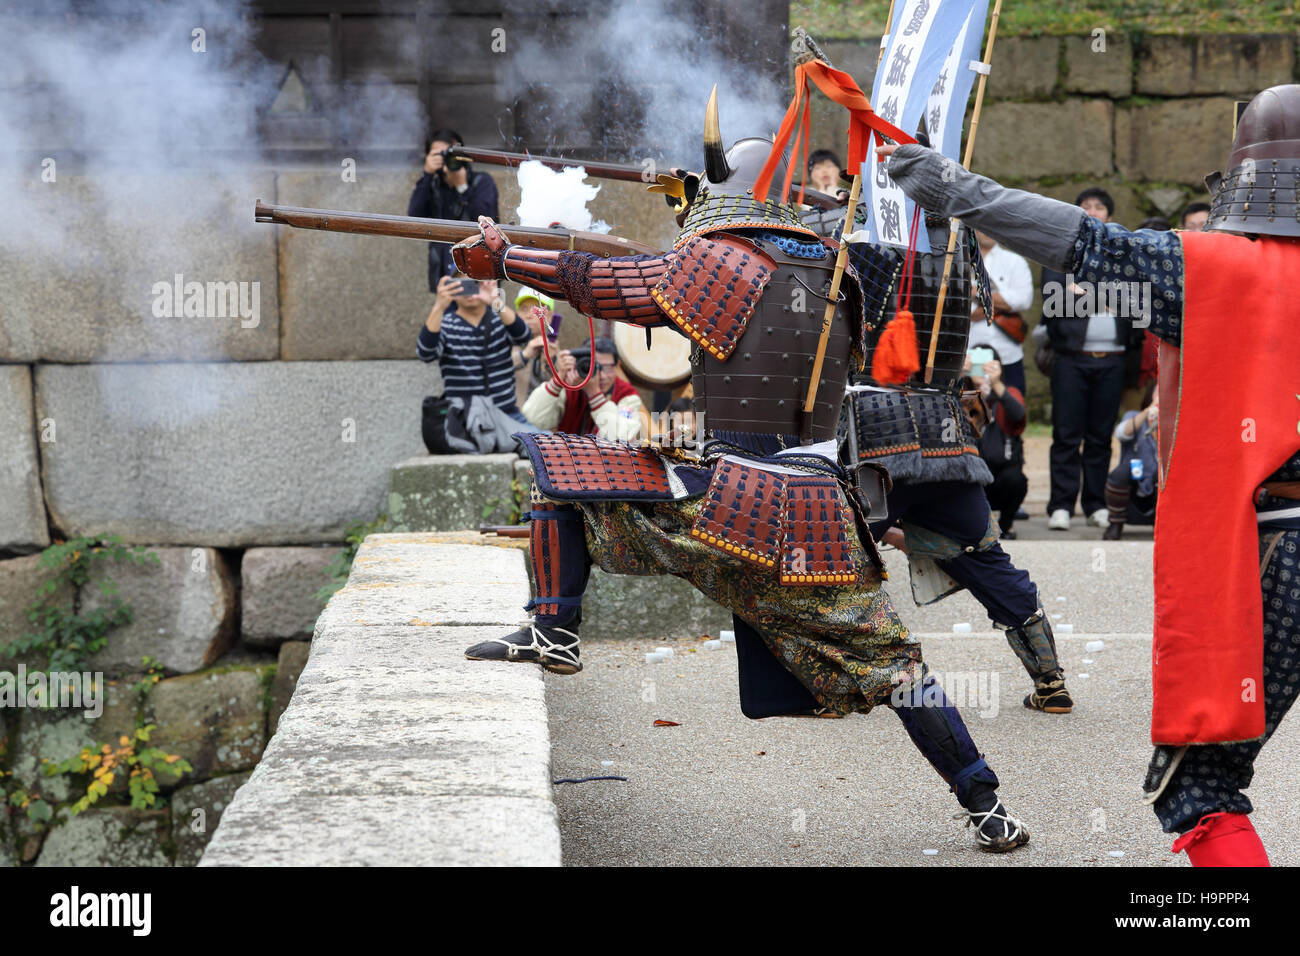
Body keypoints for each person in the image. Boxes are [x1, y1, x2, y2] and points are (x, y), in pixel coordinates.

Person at [448, 90, 1030, 852]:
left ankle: (555, 628)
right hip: (825, 518)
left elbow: (603, 288)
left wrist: (505, 258)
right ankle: (986, 803)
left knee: (559, 467)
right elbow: (932, 285)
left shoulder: (716, 259)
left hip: (731, 504)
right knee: (897, 667)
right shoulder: (846, 273)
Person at [880, 82, 1300, 864]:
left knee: (1201, 786)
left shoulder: (1213, 267)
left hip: (1282, 543)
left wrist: (956, 190)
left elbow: (1081, 242)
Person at [1037, 187, 1131, 532]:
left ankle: (1096, 503)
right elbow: (1054, 306)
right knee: (1065, 433)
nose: (1093, 212)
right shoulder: (1059, 253)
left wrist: (1082, 294)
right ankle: (1061, 504)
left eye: (1100, 207)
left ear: (1109, 214)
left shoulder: (1121, 252)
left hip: (1113, 359)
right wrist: (1101, 296)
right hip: (1070, 359)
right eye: (1085, 206)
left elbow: (1132, 302)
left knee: (1100, 436)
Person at [417, 272, 532, 425]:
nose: (469, 288)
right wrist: (439, 305)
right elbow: (425, 353)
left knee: (539, 446)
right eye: (461, 284)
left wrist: (496, 301)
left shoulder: (500, 318)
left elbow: (524, 336)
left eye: (475, 282)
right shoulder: (445, 325)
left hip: (506, 414)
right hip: (463, 419)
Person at [407, 128, 500, 293]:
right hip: (445, 275)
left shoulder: (482, 181)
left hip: (481, 273)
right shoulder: (433, 186)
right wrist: (427, 175)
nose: (446, 159)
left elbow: (488, 222)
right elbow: (414, 217)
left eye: (450, 153)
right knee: (448, 318)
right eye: (439, 155)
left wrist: (463, 187)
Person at [521, 337, 644, 441]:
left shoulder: (626, 394)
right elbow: (534, 419)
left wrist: (594, 394)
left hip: (607, 464)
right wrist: (558, 381)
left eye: (607, 368)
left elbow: (623, 437)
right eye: (594, 366)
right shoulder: (570, 387)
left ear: (617, 366)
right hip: (566, 461)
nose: (601, 375)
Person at [966, 350, 1028, 539]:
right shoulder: (960, 392)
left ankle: (1005, 525)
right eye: (977, 363)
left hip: (1002, 472)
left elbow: (1019, 416)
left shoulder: (1008, 392)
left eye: (988, 363)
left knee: (1017, 479)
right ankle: (972, 527)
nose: (982, 367)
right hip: (969, 473)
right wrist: (960, 377)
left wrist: (997, 384)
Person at [968, 230, 1034, 397]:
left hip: (1007, 353)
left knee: (1011, 411)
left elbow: (1023, 299)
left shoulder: (1014, 261)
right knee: (971, 413)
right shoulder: (959, 260)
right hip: (968, 353)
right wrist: (999, 302)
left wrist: (977, 293)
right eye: (982, 226)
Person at [1102, 388, 1158, 540]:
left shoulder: (1174, 420)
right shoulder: (1133, 416)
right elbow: (1121, 433)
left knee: (1164, 473)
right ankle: (1115, 524)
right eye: (1158, 393)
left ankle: (1161, 525)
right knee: (1120, 472)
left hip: (1157, 484)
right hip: (1134, 481)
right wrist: (1148, 412)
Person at [510, 286, 558, 398]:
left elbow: (561, 391)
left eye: (537, 309)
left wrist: (551, 362)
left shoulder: (555, 350)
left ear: (550, 316)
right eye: (523, 309)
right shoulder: (505, 342)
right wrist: (524, 355)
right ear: (517, 314)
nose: (529, 315)